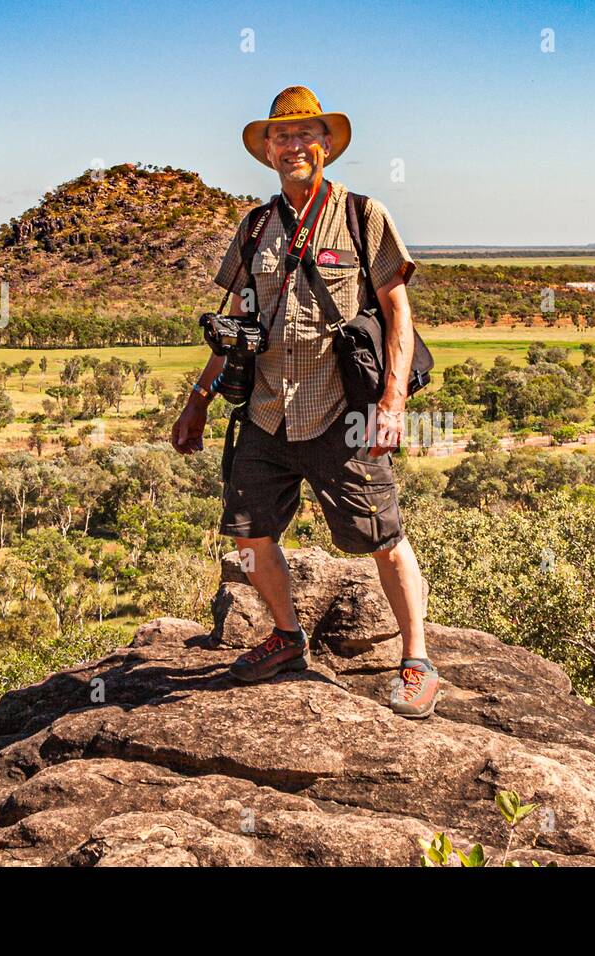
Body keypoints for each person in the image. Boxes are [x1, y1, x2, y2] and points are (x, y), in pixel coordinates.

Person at [171, 86, 438, 718]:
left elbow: (399, 313)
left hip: (340, 411)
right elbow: (235, 319)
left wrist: (392, 405)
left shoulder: (363, 215)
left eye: (304, 135)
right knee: (249, 534)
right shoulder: (255, 226)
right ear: (267, 151)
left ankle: (417, 658)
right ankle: (287, 638)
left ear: (326, 145)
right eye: (281, 137)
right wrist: (198, 400)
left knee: (381, 535)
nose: (293, 146)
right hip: (265, 410)